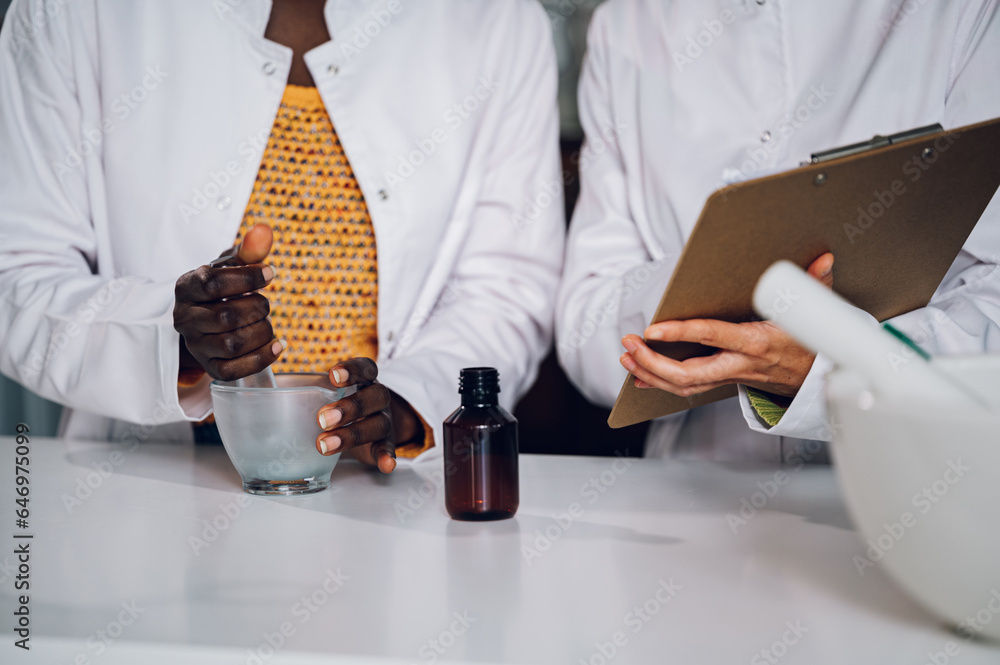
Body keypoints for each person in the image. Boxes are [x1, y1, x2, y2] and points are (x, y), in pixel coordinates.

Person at [0, 0, 564, 472]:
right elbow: (17, 275)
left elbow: (508, 291)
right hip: (143, 488)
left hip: (382, 496)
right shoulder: (75, 10)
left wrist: (409, 400)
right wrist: (172, 342)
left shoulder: (498, 20)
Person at [557, 0, 1000, 461]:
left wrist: (829, 366)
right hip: (696, 485)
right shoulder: (628, 21)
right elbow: (583, 331)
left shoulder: (963, 10)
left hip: (909, 473)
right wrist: (716, 288)